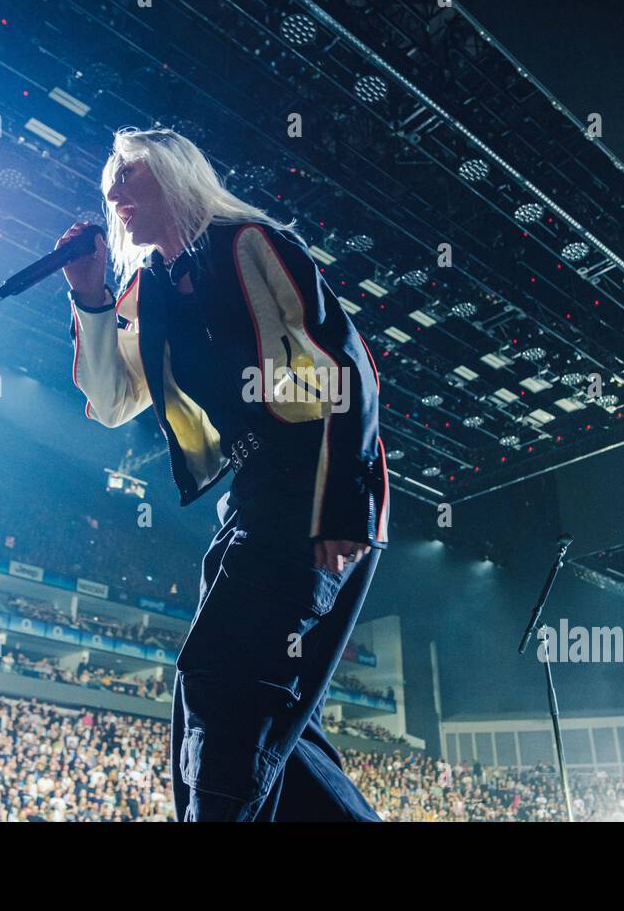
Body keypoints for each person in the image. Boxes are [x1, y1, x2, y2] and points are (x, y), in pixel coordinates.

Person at [59, 127, 389, 821]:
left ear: (177, 175)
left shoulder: (251, 244)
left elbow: (345, 370)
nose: (114, 191)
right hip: (252, 498)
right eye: (109, 179)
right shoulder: (148, 291)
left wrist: (339, 511)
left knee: (218, 680)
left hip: (317, 484)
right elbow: (113, 399)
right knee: (281, 728)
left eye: (131, 174)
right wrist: (90, 295)